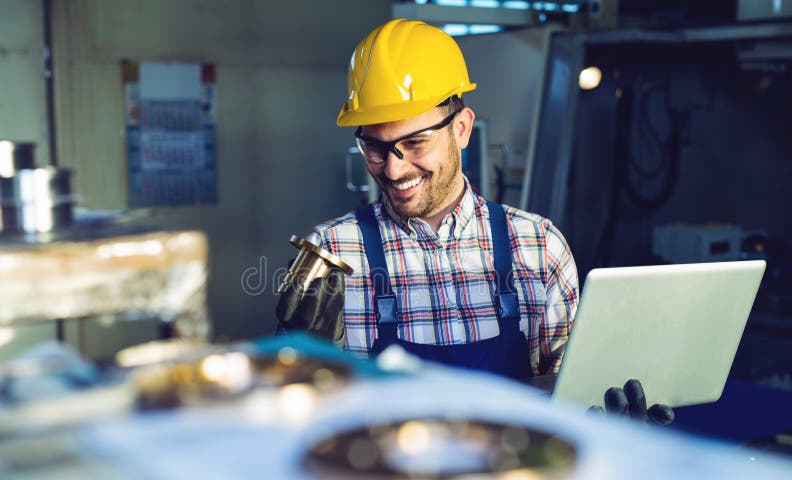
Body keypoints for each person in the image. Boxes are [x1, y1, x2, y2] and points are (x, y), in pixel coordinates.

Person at [276, 19, 671, 423]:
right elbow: (295, 422)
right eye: (375, 147)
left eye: (415, 143)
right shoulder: (332, 252)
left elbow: (571, 400)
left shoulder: (538, 246)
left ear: (462, 129)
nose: (393, 169)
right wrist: (301, 366)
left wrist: (610, 421)